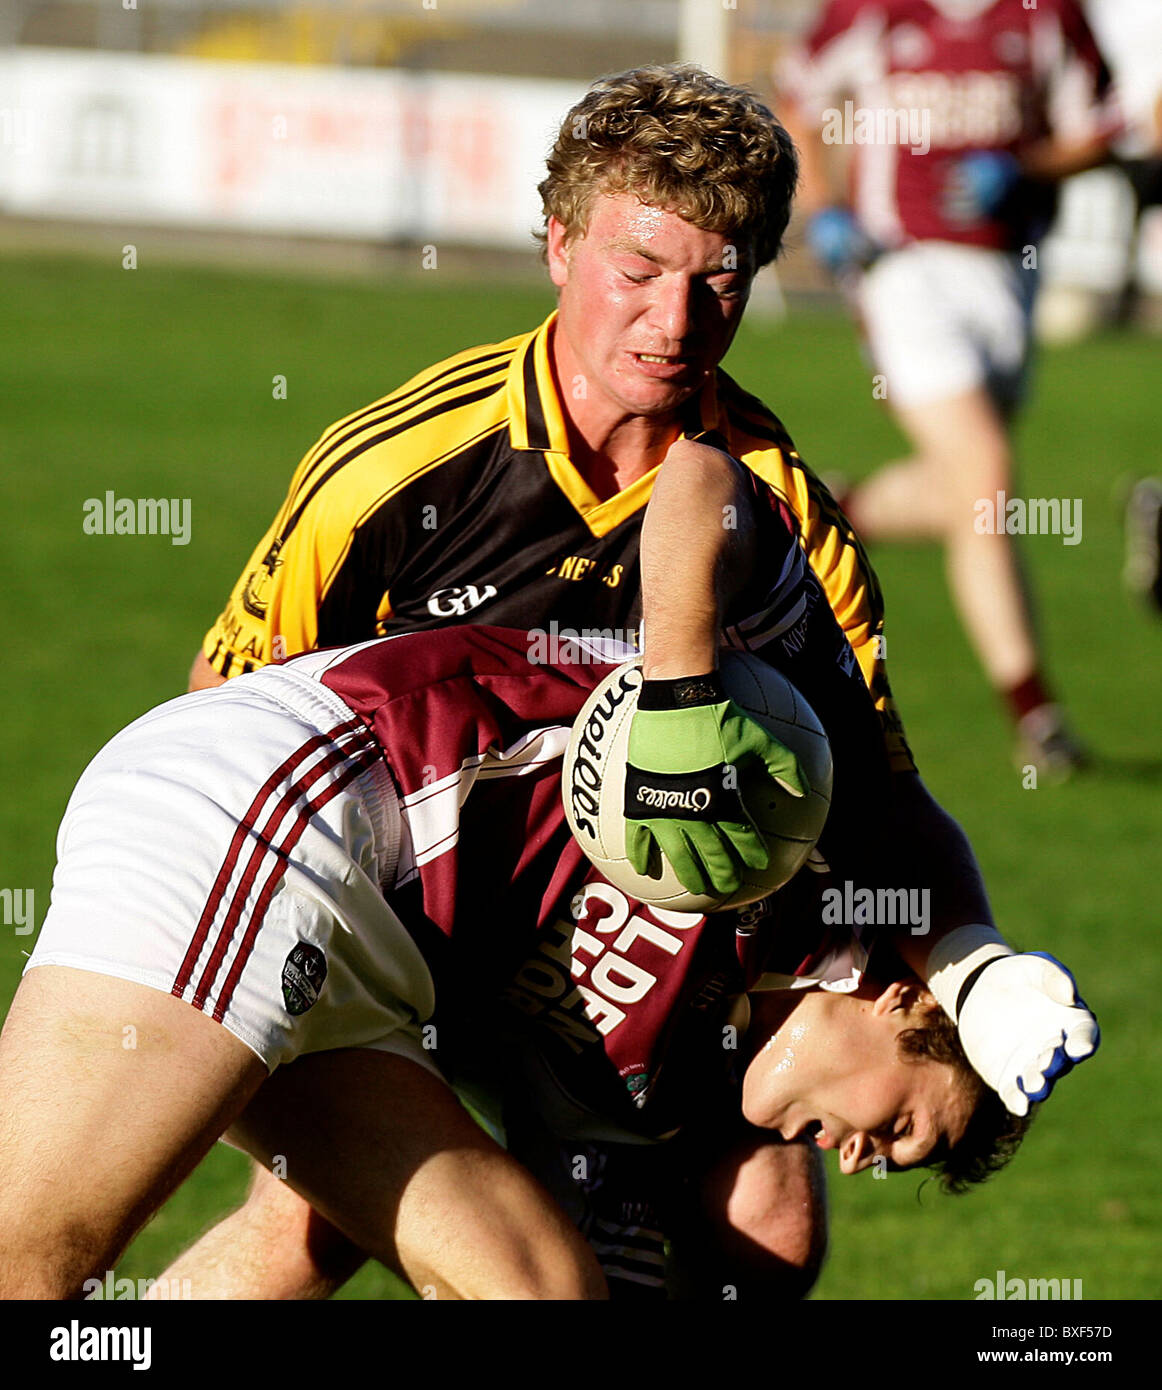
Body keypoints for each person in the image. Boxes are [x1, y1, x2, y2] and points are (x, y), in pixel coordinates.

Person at [166, 62, 1091, 1293]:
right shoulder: (397, 471)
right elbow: (224, 703)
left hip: (632, 972)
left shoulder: (789, 517)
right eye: (637, 269)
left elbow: (879, 798)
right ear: (557, 244)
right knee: (318, 1224)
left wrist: (973, 961)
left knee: (767, 1232)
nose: (673, 321)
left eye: (718, 281)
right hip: (402, 932)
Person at [0, 606, 1070, 1300]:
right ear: (898, 1001)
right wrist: (976, 962)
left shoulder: (682, 1063)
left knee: (536, 1289)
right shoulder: (794, 839)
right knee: (34, 1259)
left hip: (370, 964)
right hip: (297, 806)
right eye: (893, 1129)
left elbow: (754, 1234)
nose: (855, 1156)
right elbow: (704, 485)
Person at [777, 0, 1116, 778]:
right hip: (903, 268)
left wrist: (1024, 169)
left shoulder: (1047, 16)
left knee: (970, 497)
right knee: (987, 476)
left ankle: (823, 513)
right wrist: (825, 206)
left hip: (1008, 279)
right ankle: (1038, 715)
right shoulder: (874, 10)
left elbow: (1099, 132)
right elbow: (800, 98)